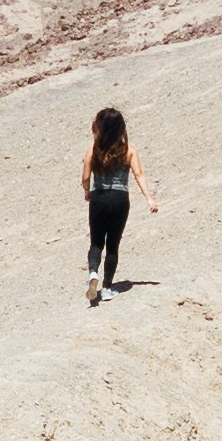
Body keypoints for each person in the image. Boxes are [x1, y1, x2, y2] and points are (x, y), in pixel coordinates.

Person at [82, 105, 156, 305]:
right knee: (113, 245)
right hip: (120, 200)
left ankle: (92, 273)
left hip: (99, 198)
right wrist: (149, 199)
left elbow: (86, 176)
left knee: (96, 242)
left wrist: (88, 192)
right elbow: (139, 175)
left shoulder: (94, 149)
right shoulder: (129, 151)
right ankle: (106, 287)